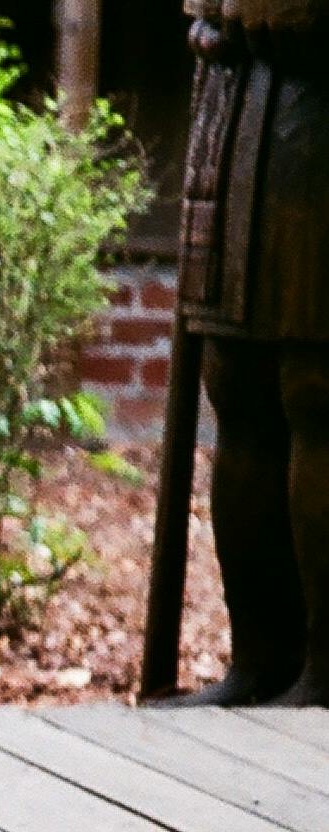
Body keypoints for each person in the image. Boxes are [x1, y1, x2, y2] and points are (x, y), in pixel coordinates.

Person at [177, 0, 329, 705]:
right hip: (237, 114)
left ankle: (324, 667)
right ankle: (258, 657)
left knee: (315, 391)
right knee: (232, 383)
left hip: (318, 121)